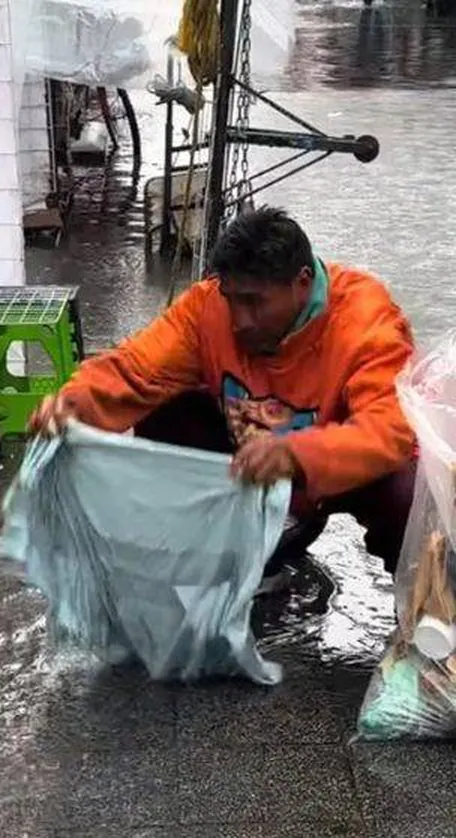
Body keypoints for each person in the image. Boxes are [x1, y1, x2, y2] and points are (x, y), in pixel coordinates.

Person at [31, 205, 417, 585]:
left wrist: (298, 455)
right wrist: (73, 405)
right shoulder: (207, 307)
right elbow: (134, 368)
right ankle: (226, 541)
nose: (239, 321)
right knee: (165, 406)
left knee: (411, 493)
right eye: (231, 299)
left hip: (331, 476)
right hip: (248, 470)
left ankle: (416, 602)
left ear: (302, 283)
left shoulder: (366, 320)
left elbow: (389, 429)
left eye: (255, 302)